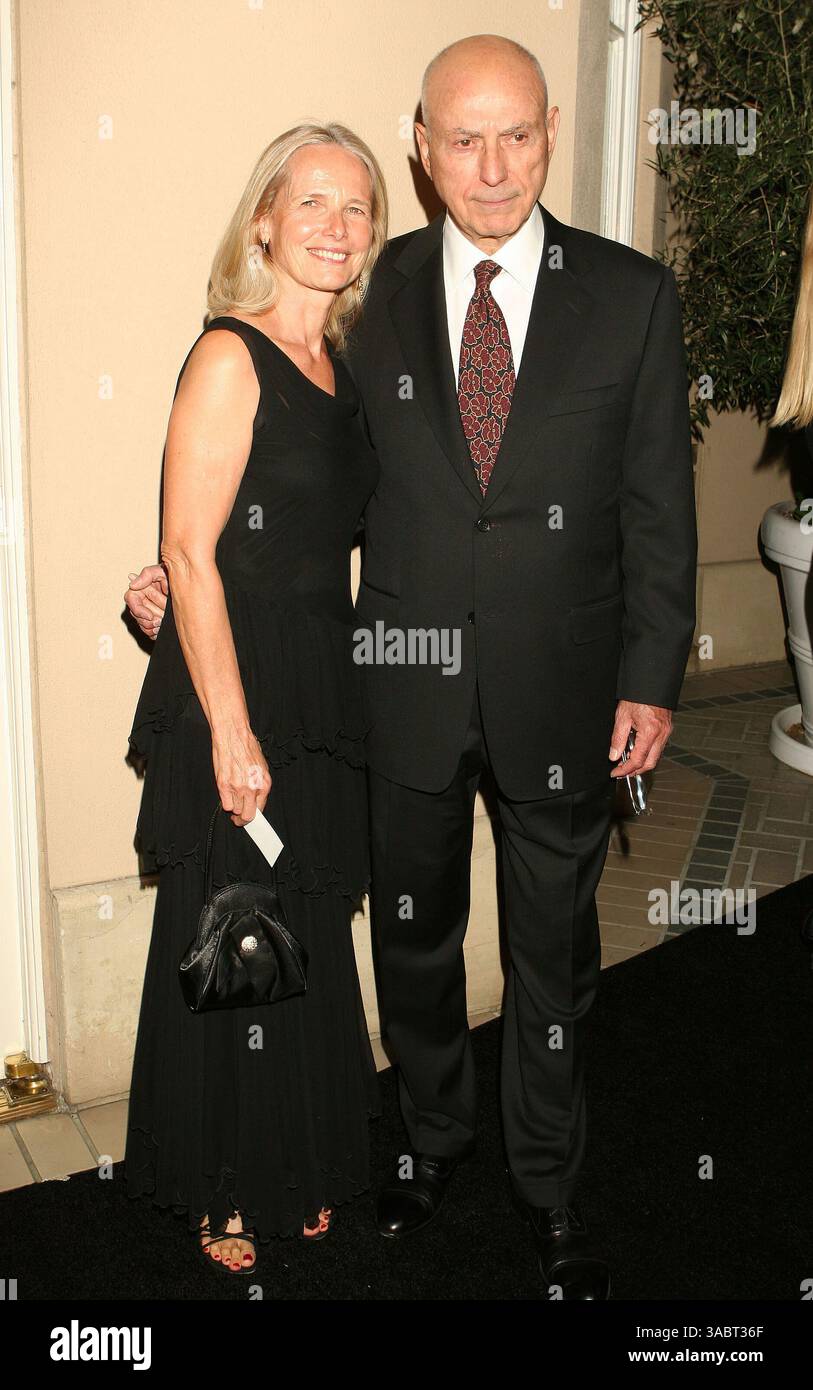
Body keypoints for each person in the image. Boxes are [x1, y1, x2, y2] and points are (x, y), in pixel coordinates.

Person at [127, 34, 698, 1299]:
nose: (492, 166)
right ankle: (433, 1143)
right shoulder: (365, 290)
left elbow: (661, 508)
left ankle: (550, 1192)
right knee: (413, 944)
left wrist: (654, 672)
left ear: (551, 130)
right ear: (423, 145)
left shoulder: (631, 294)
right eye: (462, 137)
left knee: (555, 956)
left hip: (566, 694)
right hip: (395, 689)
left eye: (517, 135)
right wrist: (180, 570)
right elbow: (260, 468)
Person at [123, 122, 386, 1275]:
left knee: (307, 925)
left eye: (359, 207)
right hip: (237, 681)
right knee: (234, 931)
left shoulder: (351, 366)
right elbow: (190, 547)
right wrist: (230, 728)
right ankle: (222, 1187)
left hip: (320, 676)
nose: (336, 227)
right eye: (312, 202)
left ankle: (304, 1160)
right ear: (265, 220)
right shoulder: (228, 353)